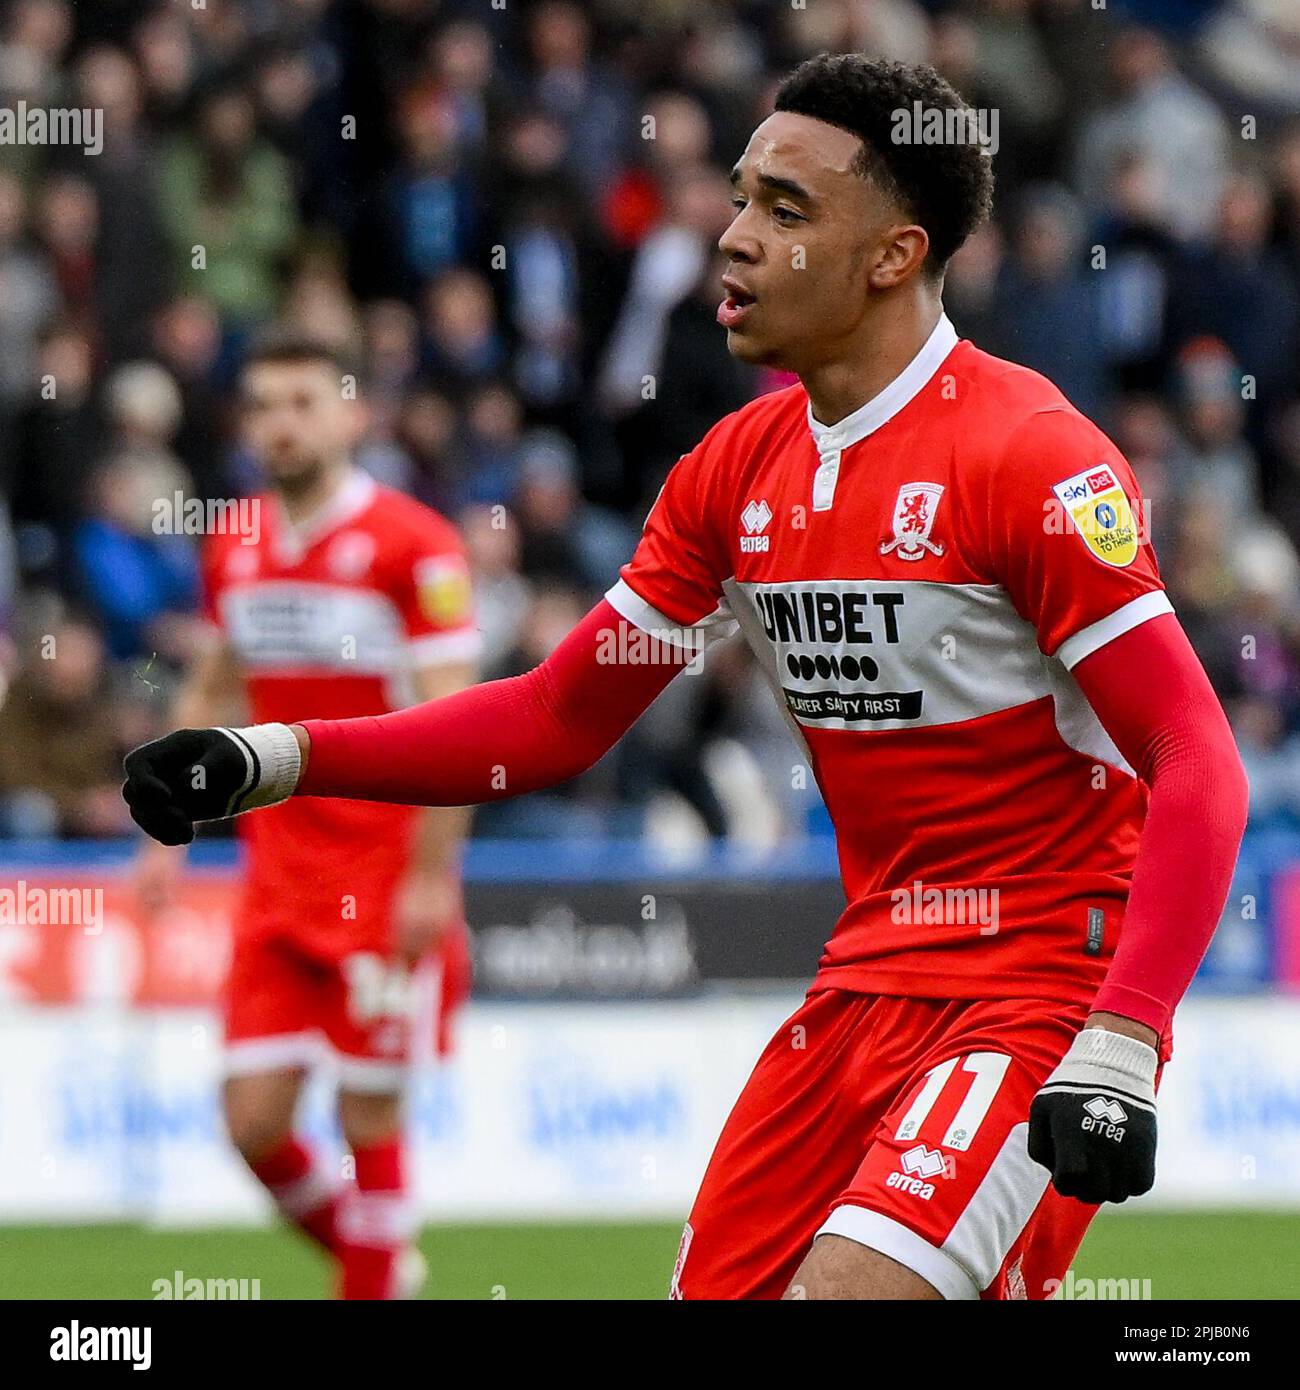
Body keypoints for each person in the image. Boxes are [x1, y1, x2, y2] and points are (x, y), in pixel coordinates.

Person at [124, 56, 1247, 1301]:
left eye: (784, 208)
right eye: (737, 200)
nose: (732, 235)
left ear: (891, 254)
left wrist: (1124, 1036)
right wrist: (271, 758)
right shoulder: (731, 470)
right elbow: (553, 718)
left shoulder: (1029, 457)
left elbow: (1197, 757)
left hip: (1039, 988)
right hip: (862, 982)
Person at [133, 337, 479, 1299]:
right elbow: (215, 680)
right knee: (251, 1124)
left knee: (370, 1118)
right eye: (261, 405)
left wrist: (427, 876)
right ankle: (381, 1269)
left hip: (380, 873)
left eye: (300, 402)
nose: (279, 423)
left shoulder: (415, 546)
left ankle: (368, 1281)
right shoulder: (236, 540)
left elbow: (455, 726)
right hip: (277, 877)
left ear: (350, 415)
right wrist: (162, 833)